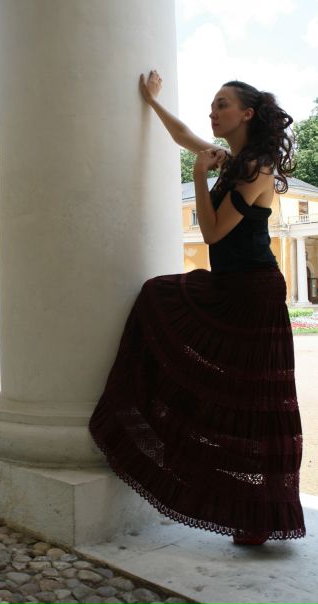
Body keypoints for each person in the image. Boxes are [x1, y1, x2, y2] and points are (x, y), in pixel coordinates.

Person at [89, 71, 306, 545]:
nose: (213, 112)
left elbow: (212, 232)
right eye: (212, 105)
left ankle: (260, 515)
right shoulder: (234, 161)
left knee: (252, 401)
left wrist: (199, 176)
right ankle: (220, 485)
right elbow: (185, 135)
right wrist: (152, 102)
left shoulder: (256, 167)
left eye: (222, 104)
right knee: (164, 311)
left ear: (246, 113)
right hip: (231, 286)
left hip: (252, 294)